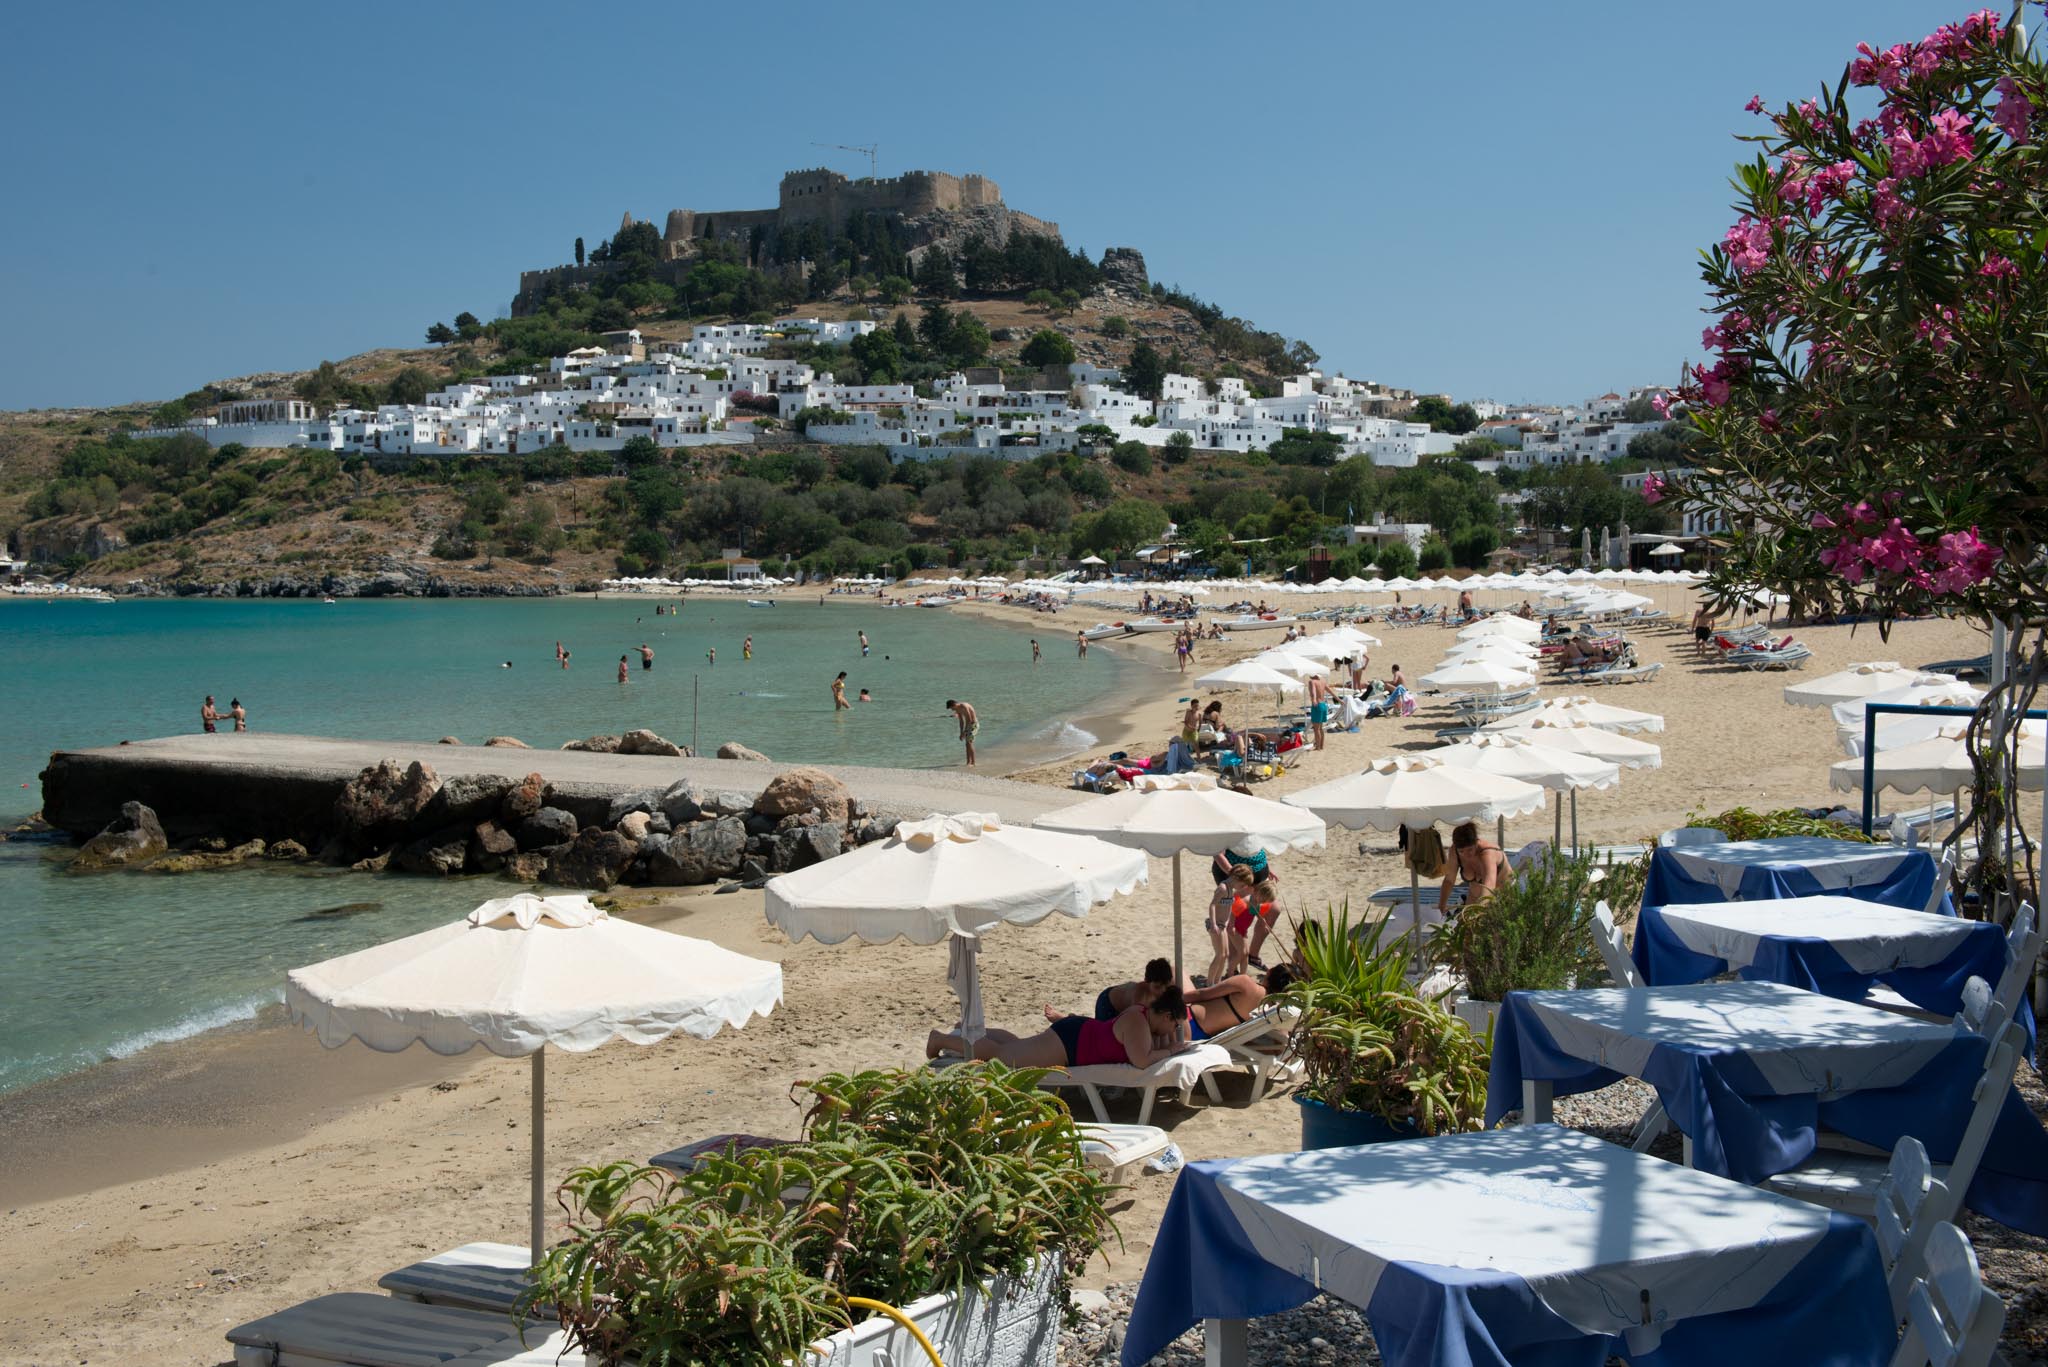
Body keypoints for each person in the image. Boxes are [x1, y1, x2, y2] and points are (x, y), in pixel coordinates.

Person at [926, 986, 1189, 1068]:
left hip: (1075, 1036)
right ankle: (940, 1039)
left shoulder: (1142, 1015)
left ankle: (965, 1029)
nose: (1173, 1031)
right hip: (1070, 1042)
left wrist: (1168, 1046)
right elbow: (1141, 1061)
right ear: (1166, 1015)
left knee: (1016, 1045)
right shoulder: (1137, 1023)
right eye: (1175, 1025)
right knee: (1001, 1056)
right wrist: (1171, 1050)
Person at [1185, 964, 1298, 1036]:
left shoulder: (1246, 984)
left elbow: (1202, 994)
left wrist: (1176, 1000)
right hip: (1203, 1036)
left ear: (1269, 972)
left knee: (1178, 970)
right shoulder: (1273, 1010)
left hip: (1186, 1021)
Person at [1440, 820, 1511, 910]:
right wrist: (1442, 905)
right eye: (1461, 851)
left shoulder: (1488, 853)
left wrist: (1481, 909)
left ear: (1476, 843)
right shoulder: (1454, 851)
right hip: (1474, 897)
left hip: (1502, 895)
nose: (1466, 855)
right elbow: (1449, 880)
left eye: (1470, 850)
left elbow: (1489, 885)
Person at [1206, 864, 1255, 984]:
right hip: (1216, 925)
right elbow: (1212, 905)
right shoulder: (1223, 888)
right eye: (1242, 885)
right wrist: (1213, 924)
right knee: (1219, 955)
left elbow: (1228, 908)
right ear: (1236, 878)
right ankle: (1210, 983)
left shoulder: (1231, 890)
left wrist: (1228, 922)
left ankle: (1217, 982)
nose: (1242, 888)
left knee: (1225, 954)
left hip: (1223, 925)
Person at [1087, 958, 1175, 1021]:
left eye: (1166, 986)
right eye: (1157, 987)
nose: (1163, 990)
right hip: (1108, 1002)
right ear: (1146, 982)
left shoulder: (1163, 986)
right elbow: (1134, 1021)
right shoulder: (1139, 997)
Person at [946, 699, 979, 767]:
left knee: (969, 743)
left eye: (951, 708)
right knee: (967, 744)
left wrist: (965, 731)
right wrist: (961, 733)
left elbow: (969, 719)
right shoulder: (957, 710)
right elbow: (961, 721)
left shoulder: (964, 706)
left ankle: (973, 763)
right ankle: (968, 762)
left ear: (954, 705)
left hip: (973, 725)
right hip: (968, 725)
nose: (952, 710)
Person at [1305, 672, 1332, 751]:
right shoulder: (1322, 681)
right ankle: (1321, 746)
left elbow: (1313, 692)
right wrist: (1339, 700)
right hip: (1323, 705)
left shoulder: (1312, 681)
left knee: (1316, 729)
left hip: (1317, 705)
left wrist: (1314, 700)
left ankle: (1318, 747)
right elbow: (1330, 692)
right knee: (1320, 728)